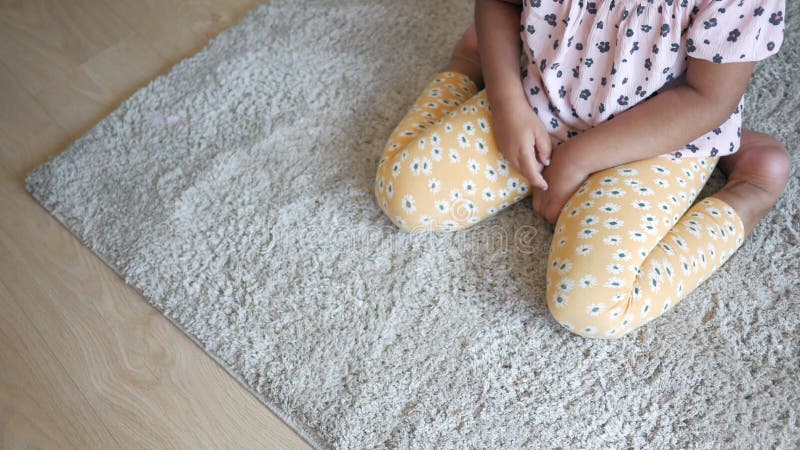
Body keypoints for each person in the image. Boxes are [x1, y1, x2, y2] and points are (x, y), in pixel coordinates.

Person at [373, 0, 790, 339]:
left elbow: (707, 98)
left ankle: (752, 186)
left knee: (592, 306)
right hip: (543, 97)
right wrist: (506, 103)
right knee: (405, 195)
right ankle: (469, 60)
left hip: (661, 138)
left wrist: (577, 159)